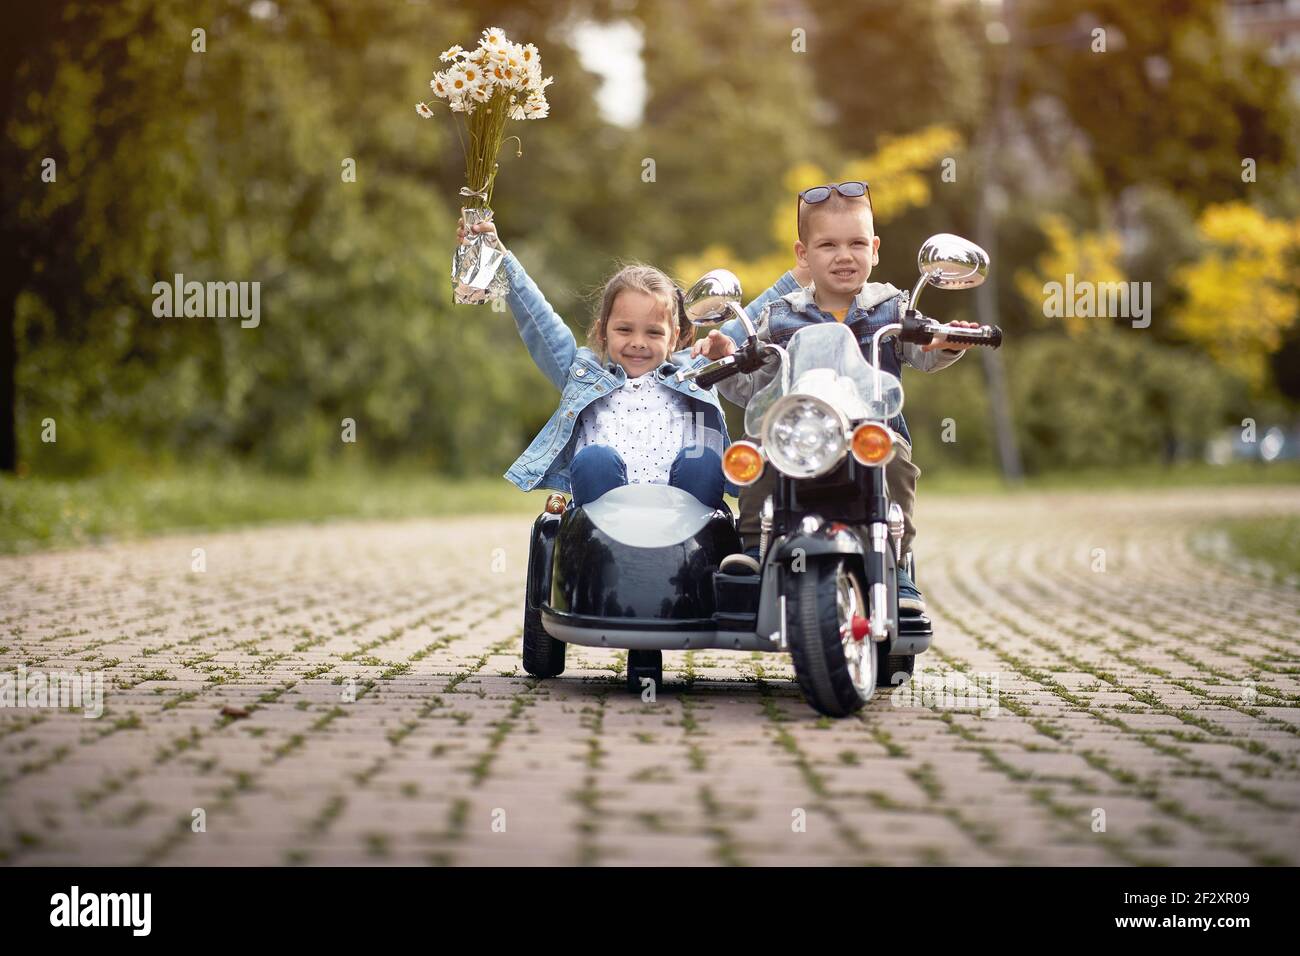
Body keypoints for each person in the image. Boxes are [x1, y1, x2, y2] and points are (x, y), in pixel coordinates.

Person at [693, 182, 983, 615]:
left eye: (856, 243)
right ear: (803, 255)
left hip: (870, 433)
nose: (844, 255)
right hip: (798, 435)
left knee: (897, 461)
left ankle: (896, 560)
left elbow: (921, 354)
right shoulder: (781, 315)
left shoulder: (892, 307)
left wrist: (946, 341)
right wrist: (726, 359)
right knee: (755, 449)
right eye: (827, 244)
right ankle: (754, 545)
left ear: (876, 249)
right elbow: (756, 386)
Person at [458, 215, 796, 508]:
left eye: (653, 332)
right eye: (624, 329)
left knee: (705, 461)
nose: (637, 342)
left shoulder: (693, 371)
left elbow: (746, 321)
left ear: (675, 336)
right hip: (605, 524)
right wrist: (500, 257)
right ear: (602, 331)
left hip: (685, 521)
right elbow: (540, 323)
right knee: (593, 459)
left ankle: (707, 569)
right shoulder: (583, 373)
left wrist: (799, 274)